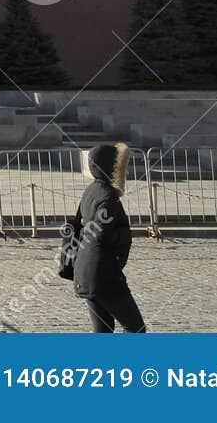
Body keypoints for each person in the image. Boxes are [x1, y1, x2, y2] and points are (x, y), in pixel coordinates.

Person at [72, 142, 145, 332]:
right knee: (135, 329)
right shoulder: (107, 197)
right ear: (111, 168)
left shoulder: (91, 190)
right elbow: (102, 234)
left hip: (87, 271)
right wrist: (124, 236)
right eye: (122, 167)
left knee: (102, 331)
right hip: (104, 274)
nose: (127, 173)